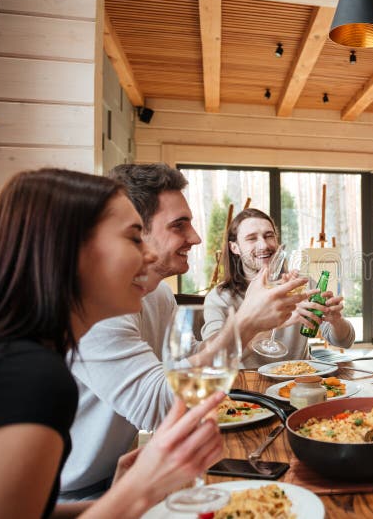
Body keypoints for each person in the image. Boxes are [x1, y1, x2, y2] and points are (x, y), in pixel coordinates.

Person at [60, 164, 307, 500]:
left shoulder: (159, 294)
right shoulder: (98, 305)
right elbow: (162, 406)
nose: (195, 237)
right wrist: (246, 321)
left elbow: (192, 362)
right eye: (179, 225)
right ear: (136, 230)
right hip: (70, 494)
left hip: (121, 473)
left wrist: (259, 323)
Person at [0, 168, 225, 518]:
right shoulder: (32, 377)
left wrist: (125, 492)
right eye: (133, 238)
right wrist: (140, 490)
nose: (148, 255)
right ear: (72, 250)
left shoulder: (28, 357)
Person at [202, 208, 355, 366]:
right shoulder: (219, 298)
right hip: (247, 386)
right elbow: (213, 358)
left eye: (269, 236)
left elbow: (345, 342)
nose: (263, 245)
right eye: (252, 238)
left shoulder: (301, 284)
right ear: (234, 247)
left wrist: (336, 321)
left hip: (300, 383)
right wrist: (276, 321)